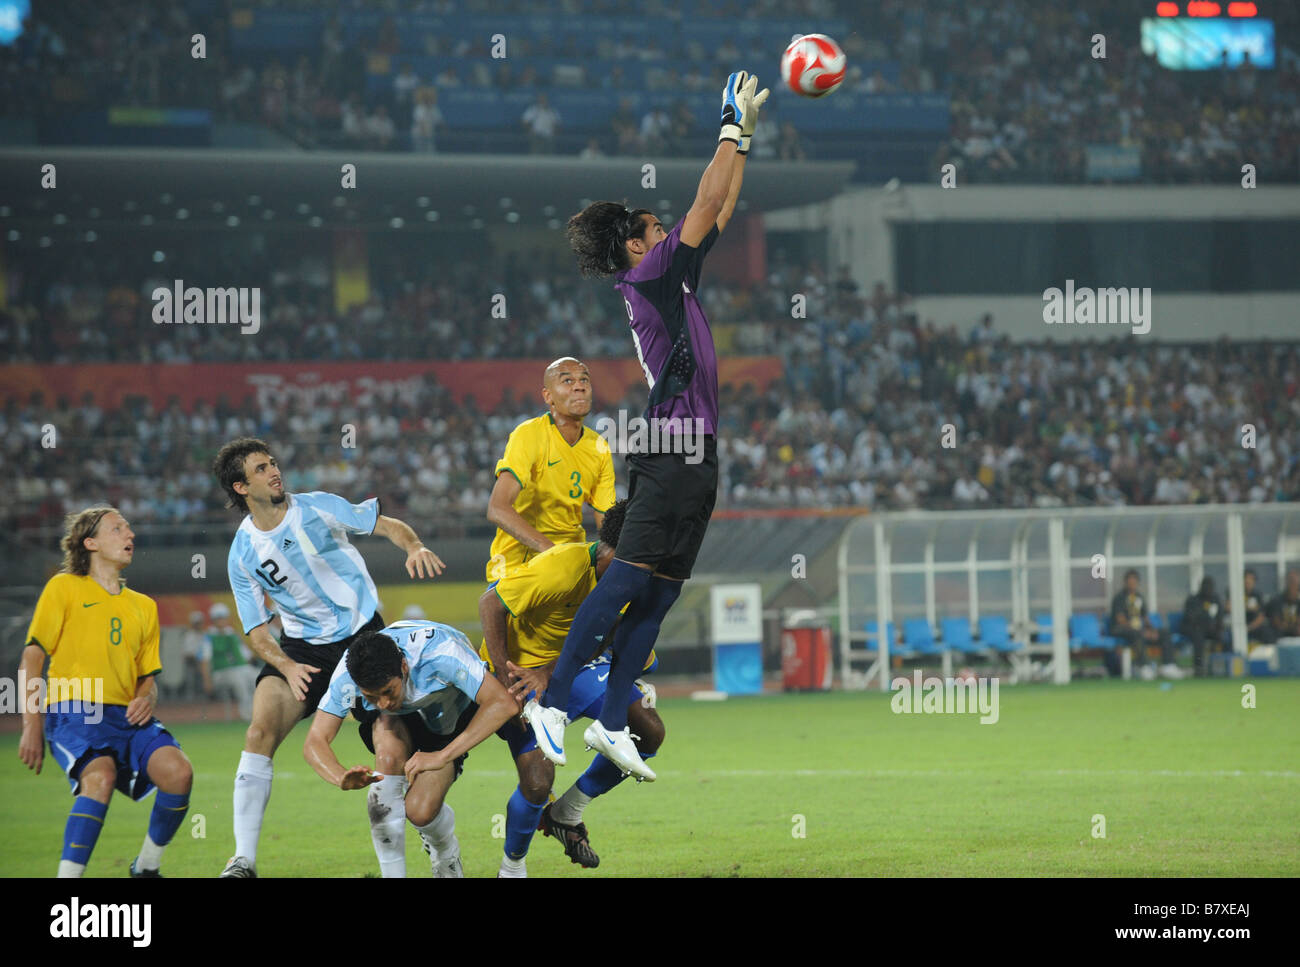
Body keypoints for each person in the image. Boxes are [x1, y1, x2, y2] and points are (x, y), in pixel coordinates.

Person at [526, 71, 769, 778]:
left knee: (659, 594)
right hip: (668, 444)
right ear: (638, 248)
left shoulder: (675, 275)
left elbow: (718, 208)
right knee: (628, 579)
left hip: (698, 452)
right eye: (656, 230)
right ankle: (550, 704)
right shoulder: (649, 278)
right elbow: (704, 197)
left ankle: (608, 721)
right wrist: (727, 123)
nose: (668, 232)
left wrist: (744, 139)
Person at [212, 436, 445, 878]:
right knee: (260, 729)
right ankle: (243, 861)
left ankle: (424, 840)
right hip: (304, 651)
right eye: (260, 469)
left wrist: (413, 546)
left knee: (389, 748)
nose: (274, 471)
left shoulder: (318, 506)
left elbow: (387, 524)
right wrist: (285, 665)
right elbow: (256, 629)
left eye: (272, 462)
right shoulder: (242, 553)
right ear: (241, 488)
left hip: (364, 638)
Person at [479, 499, 665, 877]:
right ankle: (512, 866)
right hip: (518, 672)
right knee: (536, 783)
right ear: (619, 550)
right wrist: (502, 677)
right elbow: (490, 604)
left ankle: (566, 812)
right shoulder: (562, 566)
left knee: (649, 731)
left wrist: (555, 672)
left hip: (568, 669)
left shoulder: (634, 579)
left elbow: (604, 635)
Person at [18, 507, 193, 877]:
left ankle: (145, 868)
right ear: (91, 543)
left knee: (178, 773)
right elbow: (33, 657)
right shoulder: (63, 586)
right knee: (99, 778)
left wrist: (145, 698)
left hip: (125, 717)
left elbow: (148, 678)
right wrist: (31, 725)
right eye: (118, 529)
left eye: (129, 529)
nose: (129, 535)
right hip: (75, 711)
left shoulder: (144, 606)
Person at [303, 620, 517, 878]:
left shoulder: (441, 654)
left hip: (447, 721)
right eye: (371, 696)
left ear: (404, 667)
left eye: (387, 691)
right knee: (387, 756)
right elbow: (315, 741)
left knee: (420, 811)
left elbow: (502, 704)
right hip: (397, 725)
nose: (383, 702)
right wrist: (340, 777)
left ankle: (445, 852)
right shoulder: (349, 674)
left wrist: (442, 756)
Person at [484, 357, 616, 582]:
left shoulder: (598, 447)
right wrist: (553, 553)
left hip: (571, 561)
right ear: (548, 396)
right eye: (567, 381)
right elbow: (497, 509)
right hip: (521, 563)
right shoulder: (530, 434)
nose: (579, 385)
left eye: (584, 379)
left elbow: (608, 525)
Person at [1108, 569, 1183, 680]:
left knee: (1164, 632)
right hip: (1121, 629)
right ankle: (1144, 666)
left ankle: (1168, 665)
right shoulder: (1119, 598)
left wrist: (1151, 630)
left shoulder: (1139, 597)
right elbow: (1120, 620)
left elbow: (1145, 617)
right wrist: (1141, 630)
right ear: (1125, 583)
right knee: (1136, 633)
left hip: (1138, 630)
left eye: (1134, 583)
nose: (1132, 585)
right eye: (1130, 582)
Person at [204, 602, 258, 721]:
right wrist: (207, 681)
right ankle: (247, 715)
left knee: (258, 677)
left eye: (223, 618)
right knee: (239, 679)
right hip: (220, 672)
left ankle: (259, 712)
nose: (221, 621)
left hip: (240, 669)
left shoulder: (233, 634)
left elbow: (248, 656)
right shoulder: (209, 636)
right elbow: (204, 660)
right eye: (218, 618)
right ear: (213, 620)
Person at [1181, 576, 1224, 678]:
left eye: (1211, 587)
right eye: (1206, 586)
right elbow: (1190, 618)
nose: (1209, 589)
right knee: (1198, 637)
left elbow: (1220, 616)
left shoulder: (1215, 599)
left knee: (1221, 635)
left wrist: (1218, 626)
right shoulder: (1193, 599)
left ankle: (1218, 665)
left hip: (1209, 629)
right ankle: (1198, 667)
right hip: (1193, 628)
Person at [1224, 569, 1272, 644]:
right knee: (1226, 636)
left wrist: (1249, 628)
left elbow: (1261, 616)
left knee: (1267, 632)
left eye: (1251, 579)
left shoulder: (1257, 595)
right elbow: (1228, 608)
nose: (1248, 581)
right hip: (1236, 625)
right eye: (1246, 578)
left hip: (1252, 626)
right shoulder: (1234, 592)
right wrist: (1247, 607)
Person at [1266, 569, 1300, 639]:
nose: (1293, 584)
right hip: (1279, 638)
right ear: (1286, 582)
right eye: (1291, 581)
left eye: (1295, 582)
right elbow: (1277, 623)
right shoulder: (1276, 601)